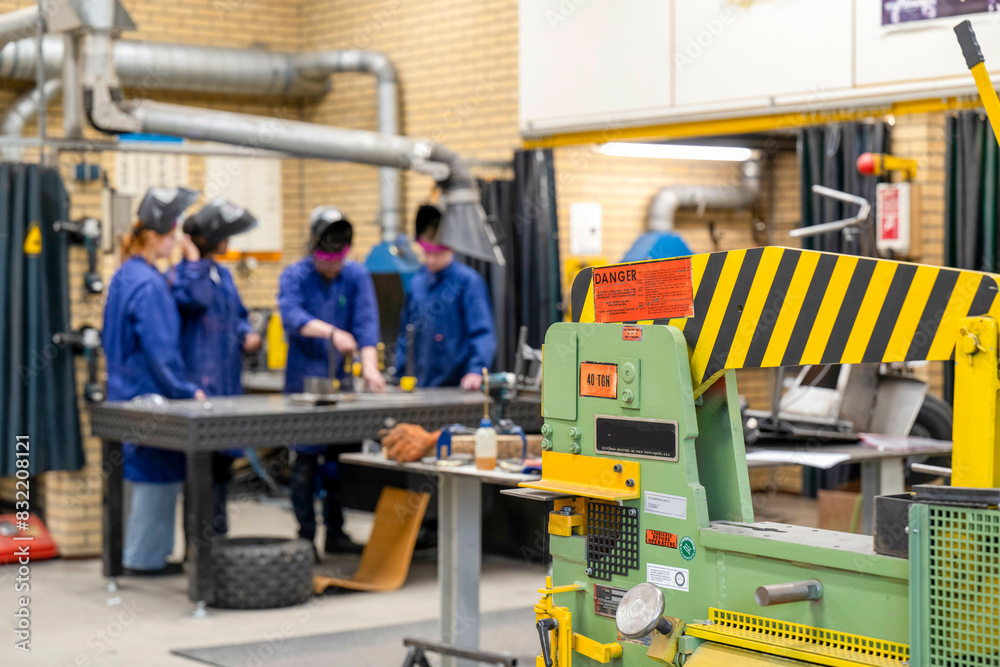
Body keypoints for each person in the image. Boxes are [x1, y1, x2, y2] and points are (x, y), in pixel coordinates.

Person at [103, 186, 205, 576]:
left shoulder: (125, 275)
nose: (177, 240)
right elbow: (162, 351)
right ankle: (145, 560)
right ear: (156, 236)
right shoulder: (149, 285)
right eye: (174, 233)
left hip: (124, 394)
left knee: (135, 473)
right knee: (156, 474)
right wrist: (186, 391)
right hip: (152, 397)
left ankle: (135, 554)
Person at [278, 206, 385, 555]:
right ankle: (306, 538)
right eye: (327, 259)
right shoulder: (295, 276)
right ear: (314, 250)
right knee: (305, 467)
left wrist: (370, 367)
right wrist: (332, 332)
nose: (333, 266)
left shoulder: (355, 275)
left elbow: (366, 323)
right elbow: (292, 316)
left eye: (339, 259)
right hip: (304, 386)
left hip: (342, 386)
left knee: (340, 464)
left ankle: (336, 534)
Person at [169, 198, 262, 537]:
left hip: (227, 388)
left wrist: (247, 333)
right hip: (200, 389)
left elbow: (235, 314)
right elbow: (196, 299)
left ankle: (218, 542)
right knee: (200, 472)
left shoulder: (222, 274)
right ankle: (200, 546)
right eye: (224, 236)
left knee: (223, 468)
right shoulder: (181, 275)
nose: (229, 242)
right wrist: (193, 260)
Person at [384, 204, 497, 463]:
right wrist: (399, 374)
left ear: (451, 248)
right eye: (426, 254)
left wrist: (475, 371)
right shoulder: (417, 282)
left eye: (438, 254)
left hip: (456, 392)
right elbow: (405, 334)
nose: (431, 260)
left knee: (451, 457)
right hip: (422, 390)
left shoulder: (468, 282)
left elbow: (483, 333)